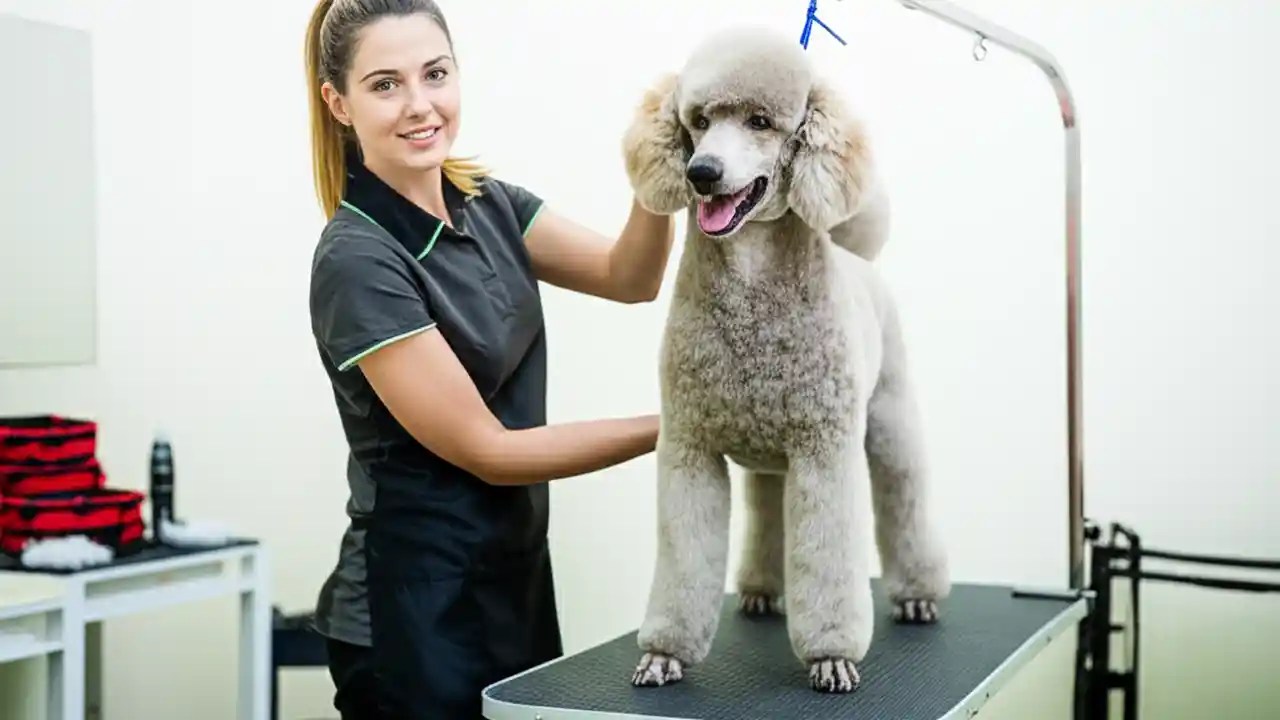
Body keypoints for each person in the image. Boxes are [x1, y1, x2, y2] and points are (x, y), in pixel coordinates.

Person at [302, 1, 676, 717]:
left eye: (435, 74)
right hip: (411, 613)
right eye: (386, 84)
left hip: (513, 585)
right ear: (338, 102)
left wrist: (655, 172)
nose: (420, 105)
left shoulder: (489, 203)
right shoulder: (358, 259)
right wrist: (683, 424)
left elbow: (631, 278)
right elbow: (489, 451)